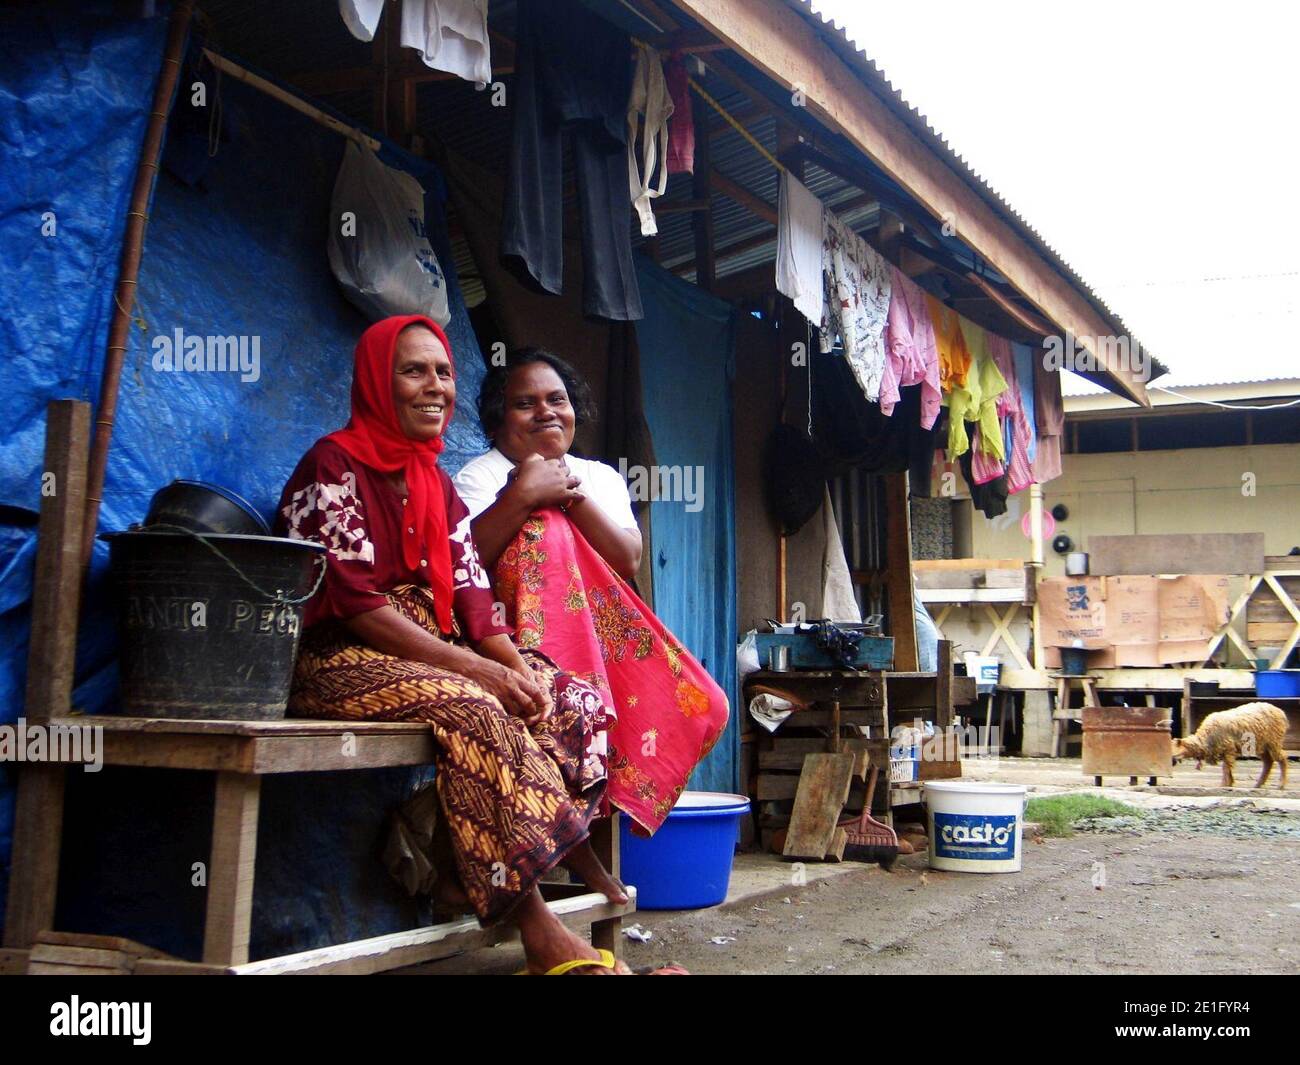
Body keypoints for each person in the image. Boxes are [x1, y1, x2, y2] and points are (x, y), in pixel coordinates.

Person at [275, 316, 634, 975]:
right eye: (414, 371)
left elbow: (471, 596)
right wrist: (478, 668)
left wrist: (515, 665)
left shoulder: (433, 481)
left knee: (567, 698)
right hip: (338, 656)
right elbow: (356, 603)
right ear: (378, 383)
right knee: (479, 708)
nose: (434, 386)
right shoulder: (335, 465)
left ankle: (459, 869)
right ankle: (537, 926)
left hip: (429, 649)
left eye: (443, 372)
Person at [454, 348, 730, 838]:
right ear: (499, 421)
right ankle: (564, 705)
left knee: (705, 703)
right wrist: (522, 496)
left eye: (557, 399)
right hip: (512, 642)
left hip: (602, 638)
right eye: (525, 403)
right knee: (541, 526)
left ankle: (599, 783)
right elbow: (466, 560)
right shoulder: (480, 476)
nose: (545, 412)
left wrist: (568, 493)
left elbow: (627, 560)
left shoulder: (598, 475)